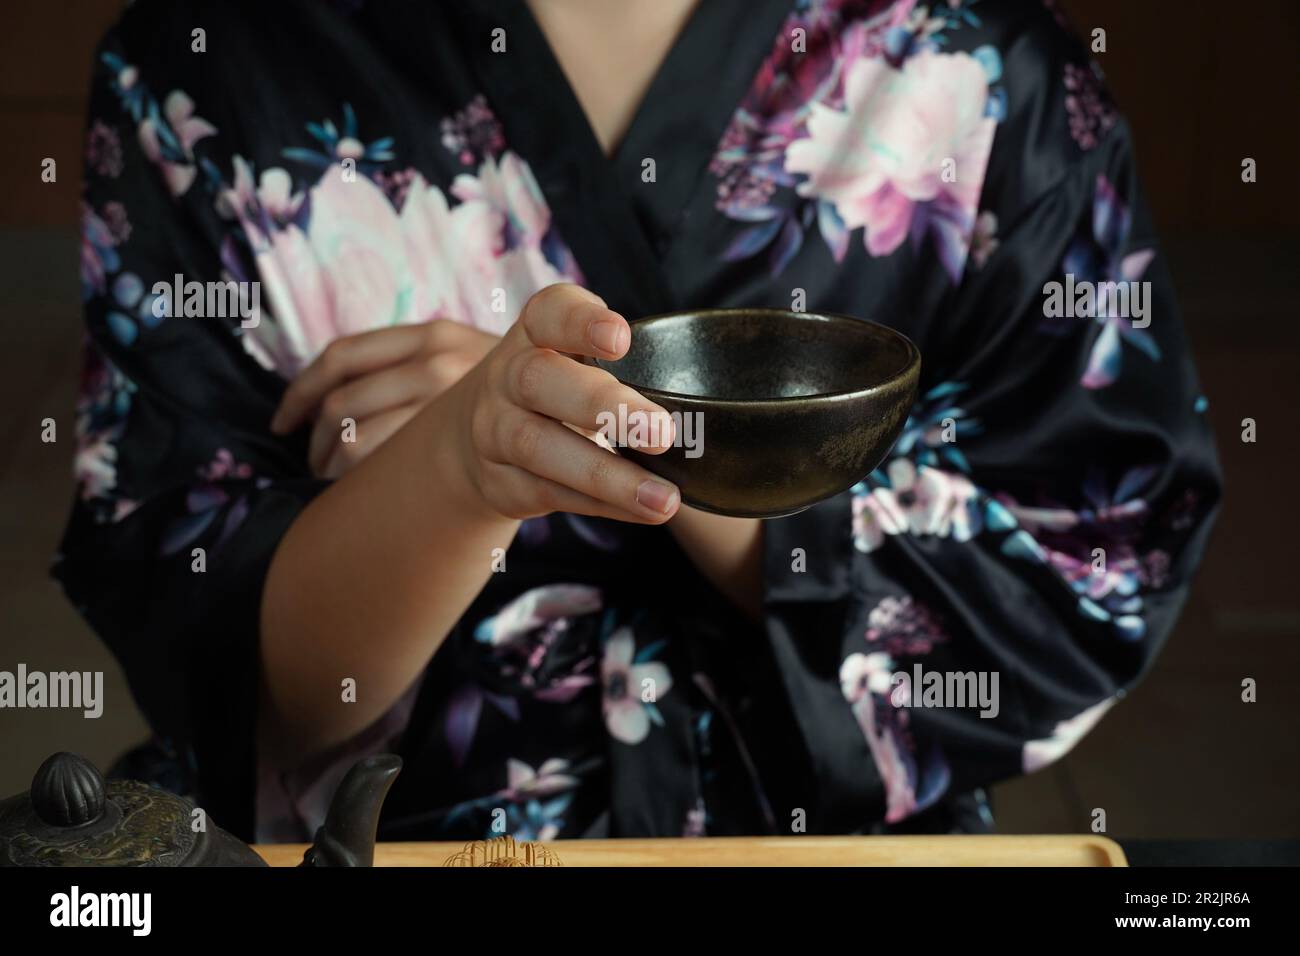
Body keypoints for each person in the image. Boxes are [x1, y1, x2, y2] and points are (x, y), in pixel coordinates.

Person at [61, 0, 1221, 843]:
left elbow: (1092, 561)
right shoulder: (204, 70)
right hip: (398, 834)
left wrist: (624, 444)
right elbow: (226, 678)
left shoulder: (984, 65)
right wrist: (455, 472)